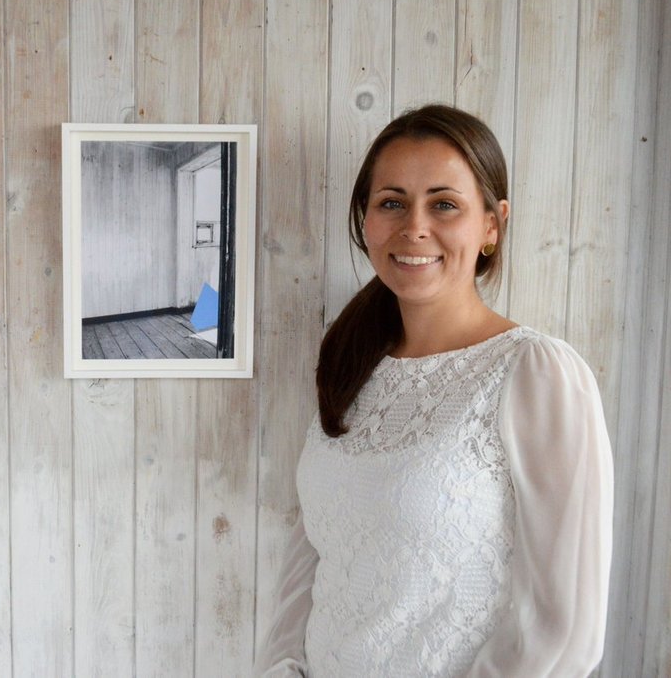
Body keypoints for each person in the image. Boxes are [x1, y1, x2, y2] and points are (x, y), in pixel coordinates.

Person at [253, 104, 614, 677]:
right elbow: (312, 556)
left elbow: (564, 630)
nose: (414, 226)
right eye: (391, 202)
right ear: (366, 221)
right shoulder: (352, 366)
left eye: (444, 204)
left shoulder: (536, 374)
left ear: (492, 225)